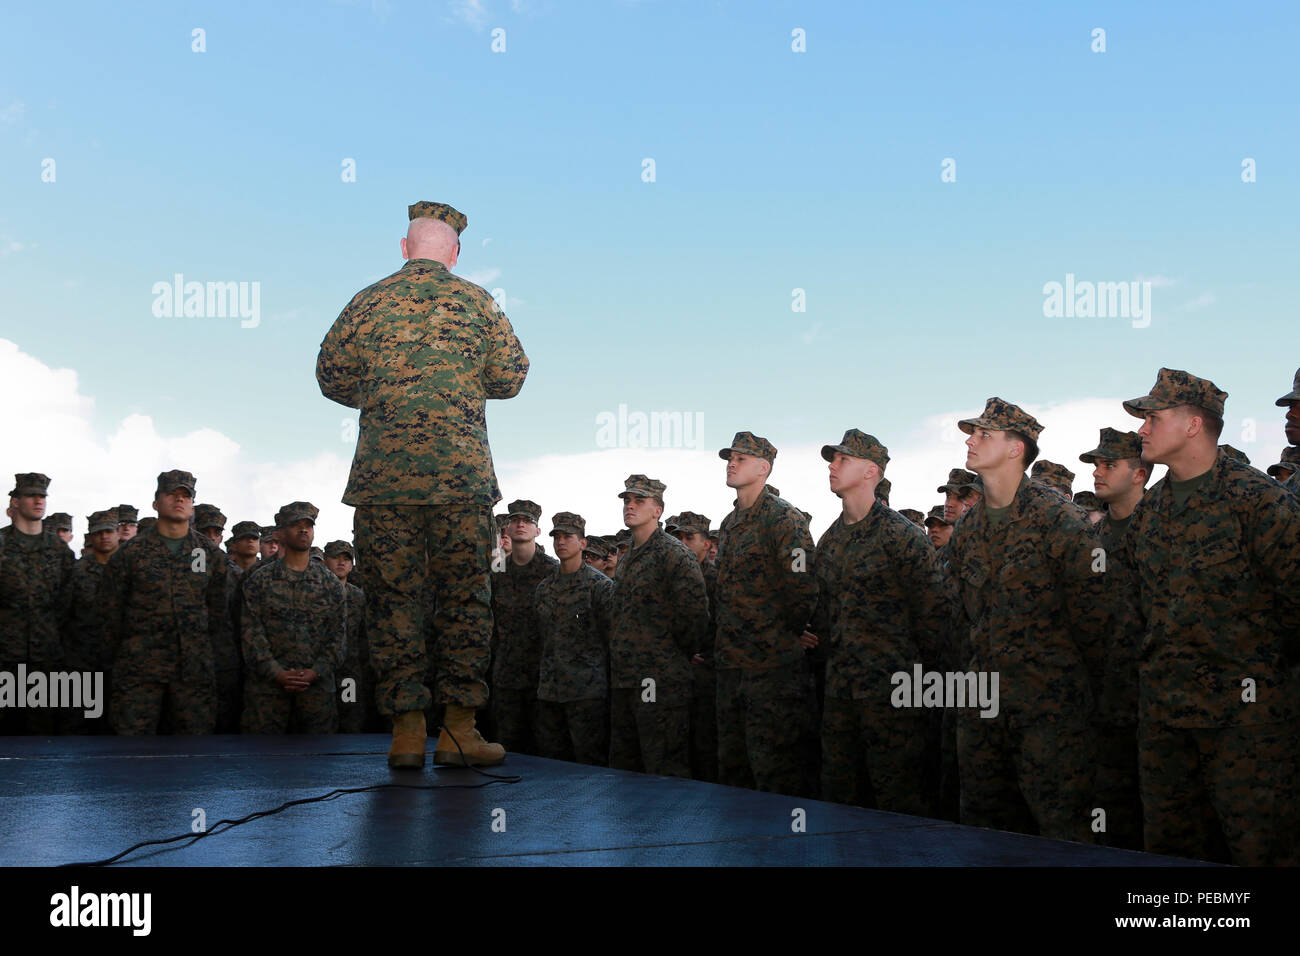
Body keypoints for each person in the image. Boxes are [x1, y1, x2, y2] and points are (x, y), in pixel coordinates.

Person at [316, 199, 528, 768]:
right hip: (460, 481)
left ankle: (407, 735)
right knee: (465, 601)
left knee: (391, 601)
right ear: (454, 253)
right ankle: (460, 731)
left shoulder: (367, 301)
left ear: (405, 248)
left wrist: (385, 395)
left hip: (383, 480)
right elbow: (510, 377)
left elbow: (330, 375)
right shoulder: (478, 301)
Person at [1121, 368, 1300, 864]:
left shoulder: (1258, 501)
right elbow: (1139, 609)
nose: (1142, 430)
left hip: (1246, 725)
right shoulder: (1149, 513)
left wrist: (1256, 673)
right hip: (1164, 721)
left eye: (1153, 418)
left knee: (1261, 851)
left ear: (1194, 425)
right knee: (1172, 854)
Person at [944, 399, 1108, 841]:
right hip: (981, 711)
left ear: (1016, 449)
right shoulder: (970, 528)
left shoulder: (1060, 520)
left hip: (1049, 712)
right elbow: (957, 616)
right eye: (971, 433)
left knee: (1063, 832)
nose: (970, 440)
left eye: (983, 435)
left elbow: (1097, 619)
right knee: (985, 833)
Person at [808, 430, 945, 813]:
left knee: (898, 798)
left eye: (842, 460)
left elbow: (933, 618)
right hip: (841, 693)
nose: (832, 467)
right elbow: (826, 616)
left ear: (871, 471)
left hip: (894, 693)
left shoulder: (901, 536)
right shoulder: (831, 540)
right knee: (839, 794)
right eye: (832, 460)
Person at [715, 432, 818, 796]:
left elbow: (802, 586)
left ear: (763, 468)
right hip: (731, 665)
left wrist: (782, 635)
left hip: (771, 667)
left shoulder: (784, 518)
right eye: (730, 457)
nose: (731, 463)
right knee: (734, 766)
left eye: (741, 459)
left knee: (775, 769)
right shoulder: (728, 525)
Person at [99, 470, 228, 735]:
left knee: (192, 752)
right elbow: (110, 612)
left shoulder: (207, 554)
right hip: (139, 671)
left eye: (185, 496)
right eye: (172, 494)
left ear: (192, 506)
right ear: (156, 503)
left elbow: (218, 610)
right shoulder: (131, 554)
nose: (179, 500)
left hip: (192, 671)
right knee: (133, 749)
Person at [607, 475, 708, 777]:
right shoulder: (627, 557)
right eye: (627, 500)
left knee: (663, 767)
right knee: (626, 769)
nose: (630, 506)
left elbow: (694, 616)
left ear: (658, 510)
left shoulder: (674, 554)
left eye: (639, 501)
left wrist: (671, 656)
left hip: (660, 682)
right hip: (626, 680)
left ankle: (668, 826)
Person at [1077, 427, 1149, 849]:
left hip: (1159, 697)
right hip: (1106, 699)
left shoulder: (1161, 525)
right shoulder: (1093, 539)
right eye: (1096, 465)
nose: (1098, 473)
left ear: (1139, 473)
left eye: (1109, 465)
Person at [240, 503, 346, 734]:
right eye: (296, 525)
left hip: (317, 694)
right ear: (280, 533)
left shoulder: (331, 584)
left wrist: (315, 671)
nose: (303, 530)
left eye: (308, 525)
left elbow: (337, 637)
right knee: (263, 762)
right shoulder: (259, 581)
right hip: (267, 694)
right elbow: (251, 635)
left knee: (318, 763)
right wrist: (276, 672)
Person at [534, 512, 613, 765]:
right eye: (556, 536)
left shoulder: (598, 586)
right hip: (550, 691)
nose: (561, 542)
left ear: (583, 543)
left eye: (568, 536)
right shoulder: (545, 588)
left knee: (589, 764)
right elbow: (541, 637)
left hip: (586, 692)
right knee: (552, 763)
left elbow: (610, 636)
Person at [0, 473, 77, 734]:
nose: (38, 500)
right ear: (16, 501)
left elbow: (69, 605)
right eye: (31, 495)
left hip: (47, 657)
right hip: (4, 655)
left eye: (42, 496)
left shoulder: (59, 551)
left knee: (42, 731)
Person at [490, 499, 557, 755]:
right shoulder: (497, 572)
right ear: (506, 528)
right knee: (507, 744)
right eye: (515, 520)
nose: (521, 525)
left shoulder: (551, 570)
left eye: (528, 521)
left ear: (537, 531)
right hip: (506, 672)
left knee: (543, 746)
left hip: (542, 674)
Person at [61, 509, 119, 734]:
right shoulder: (77, 571)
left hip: (121, 661)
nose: (104, 536)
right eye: (98, 533)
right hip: (81, 661)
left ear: (116, 533)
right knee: (77, 724)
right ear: (90, 536)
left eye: (108, 531)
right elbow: (63, 612)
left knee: (117, 725)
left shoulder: (131, 566)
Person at [324, 539, 377, 733]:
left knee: (351, 715)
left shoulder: (358, 596)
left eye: (346, 559)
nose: (341, 562)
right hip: (321, 671)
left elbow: (365, 637)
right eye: (335, 558)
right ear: (324, 561)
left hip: (350, 672)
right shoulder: (317, 592)